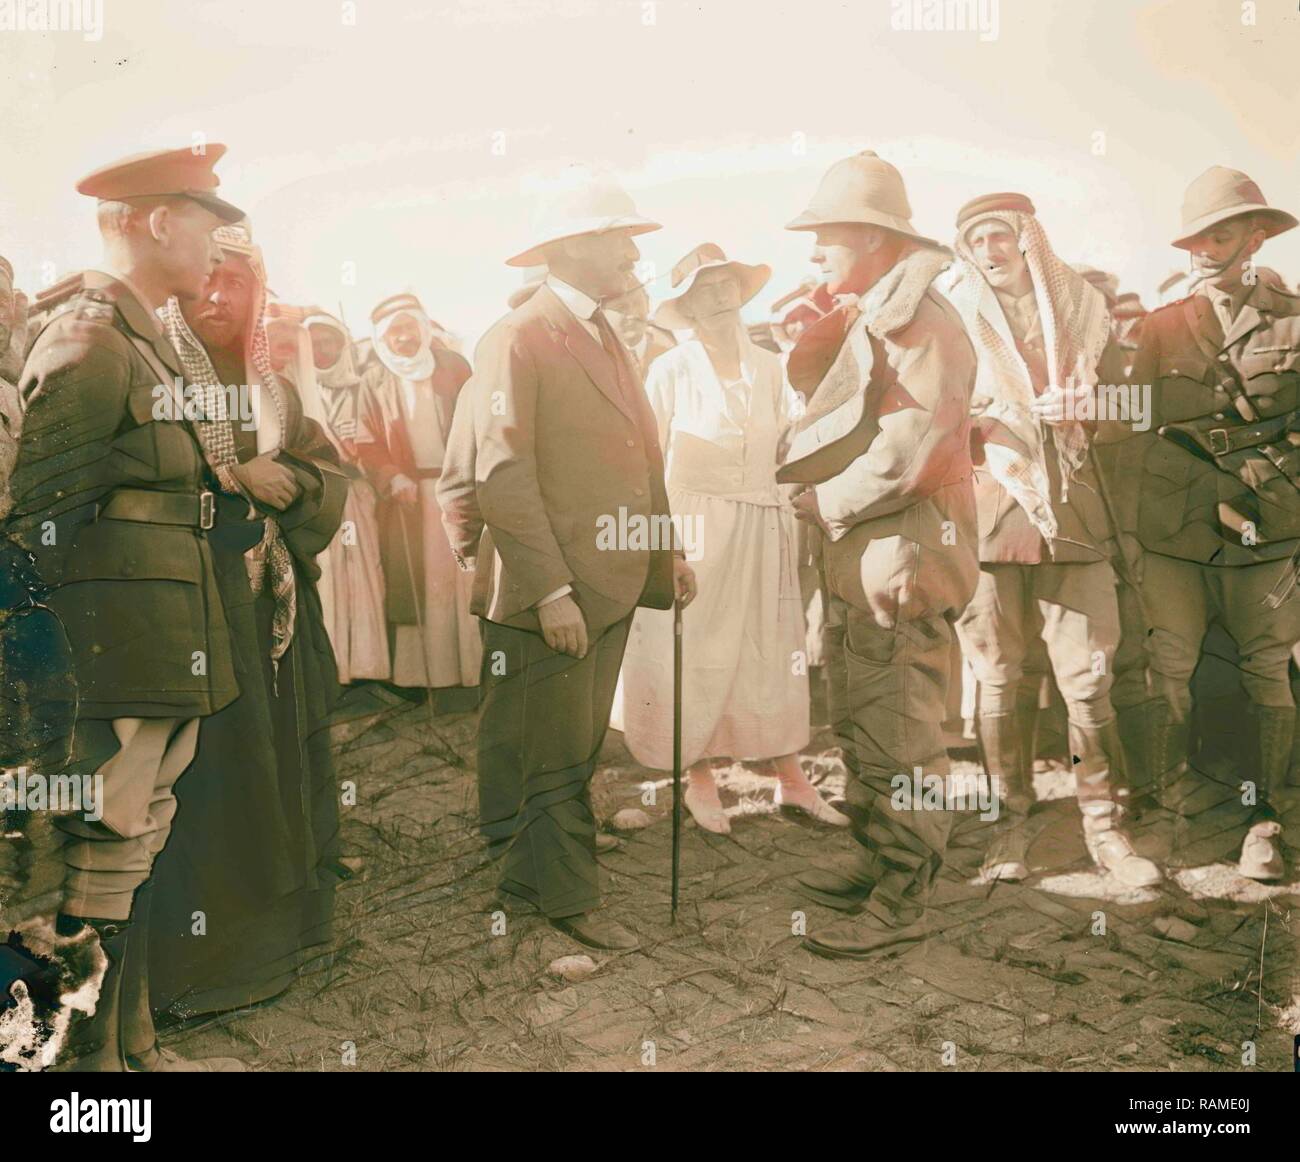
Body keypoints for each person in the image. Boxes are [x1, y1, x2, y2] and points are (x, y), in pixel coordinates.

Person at [6, 145, 247, 1071]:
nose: (217, 251)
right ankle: (85, 1074)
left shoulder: (142, 335)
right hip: (110, 651)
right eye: (206, 227)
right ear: (155, 221)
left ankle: (130, 1045)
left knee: (133, 849)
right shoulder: (88, 339)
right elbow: (36, 525)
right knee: (94, 859)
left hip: (164, 635)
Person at [438, 175, 696, 952]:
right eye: (621, 238)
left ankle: (527, 855)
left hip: (607, 580)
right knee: (546, 742)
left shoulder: (604, 330)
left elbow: (639, 459)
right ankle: (555, 900)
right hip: (553, 587)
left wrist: (667, 549)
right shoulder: (518, 337)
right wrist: (549, 590)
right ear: (575, 248)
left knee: (558, 738)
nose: (632, 253)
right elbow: (501, 476)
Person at [147, 220, 348, 1021]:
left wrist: (291, 480)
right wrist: (230, 478)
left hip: (276, 613)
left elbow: (327, 469)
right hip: (196, 623)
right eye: (208, 278)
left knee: (291, 765)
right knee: (216, 784)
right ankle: (215, 968)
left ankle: (292, 933)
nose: (219, 296)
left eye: (239, 282)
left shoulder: (276, 390)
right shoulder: (151, 376)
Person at [781, 151, 978, 957]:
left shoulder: (924, 323)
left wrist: (822, 500)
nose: (814, 253)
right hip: (866, 560)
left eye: (825, 238)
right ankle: (880, 858)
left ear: (869, 238)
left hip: (899, 561)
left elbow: (913, 451)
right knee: (864, 726)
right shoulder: (878, 315)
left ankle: (904, 895)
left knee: (900, 733)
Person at [946, 194, 1159, 888]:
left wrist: (1089, 406)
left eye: (1000, 235)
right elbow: (923, 417)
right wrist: (984, 426)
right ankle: (1010, 818)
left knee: (1088, 679)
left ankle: (1103, 823)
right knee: (999, 678)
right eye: (974, 238)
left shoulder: (1083, 316)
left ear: (1028, 241)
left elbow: (1140, 410)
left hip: (1076, 521)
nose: (989, 249)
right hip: (990, 521)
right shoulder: (953, 320)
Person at [613, 243, 845, 833]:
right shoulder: (669, 369)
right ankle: (698, 776)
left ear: (741, 294)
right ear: (684, 306)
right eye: (701, 291)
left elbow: (790, 451)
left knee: (769, 652)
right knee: (695, 653)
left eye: (726, 286)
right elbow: (645, 459)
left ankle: (791, 780)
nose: (717, 299)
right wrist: (661, 543)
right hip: (694, 528)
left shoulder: (770, 367)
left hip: (764, 524)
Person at [1128, 166, 1300, 880]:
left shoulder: (1294, 319)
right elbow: (1135, 428)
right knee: (1168, 664)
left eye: (1220, 233)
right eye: (1196, 236)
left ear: (1254, 235)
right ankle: (1163, 808)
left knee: (1266, 668)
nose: (1204, 248)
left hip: (1268, 523)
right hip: (1177, 527)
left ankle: (1264, 821)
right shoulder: (1162, 326)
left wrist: (1282, 483)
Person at [356, 293, 481, 694]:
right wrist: (393, 477)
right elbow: (367, 441)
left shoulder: (454, 367)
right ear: (382, 339)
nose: (404, 337)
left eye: (409, 327)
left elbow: (480, 422)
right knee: (420, 587)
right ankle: (424, 679)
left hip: (458, 491)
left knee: (465, 580)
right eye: (394, 332)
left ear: (424, 328)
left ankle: (474, 673)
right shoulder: (374, 380)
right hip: (410, 500)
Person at [300, 308, 391, 684]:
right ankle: (331, 667)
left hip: (356, 494)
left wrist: (361, 451)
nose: (322, 351)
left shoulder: (363, 387)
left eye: (329, 343)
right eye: (314, 344)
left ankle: (366, 664)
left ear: (343, 345)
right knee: (328, 576)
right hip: (317, 498)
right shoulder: (298, 388)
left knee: (362, 572)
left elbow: (383, 439)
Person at [603, 282, 675, 380]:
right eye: (620, 308)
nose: (632, 313)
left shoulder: (670, 353)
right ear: (603, 314)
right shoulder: (598, 360)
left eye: (637, 303)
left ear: (648, 303)